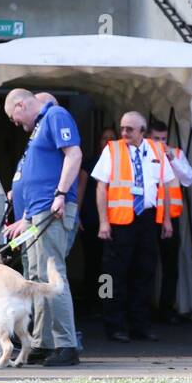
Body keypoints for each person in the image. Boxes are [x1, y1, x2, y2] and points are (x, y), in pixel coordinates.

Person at [2, 89, 82, 366]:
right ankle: (42, 342)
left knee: (51, 274)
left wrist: (60, 193)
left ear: (22, 104)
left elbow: (74, 154)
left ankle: (66, 344)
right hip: (37, 212)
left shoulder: (55, 115)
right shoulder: (39, 127)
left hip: (51, 209)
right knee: (36, 276)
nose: (16, 124)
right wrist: (25, 216)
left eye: (14, 117)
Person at [91, 111, 176, 343]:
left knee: (145, 273)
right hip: (118, 222)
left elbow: (166, 187)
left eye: (130, 129)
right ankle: (112, 324)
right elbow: (101, 187)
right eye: (122, 128)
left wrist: (166, 219)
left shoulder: (157, 150)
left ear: (142, 131)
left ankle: (140, 324)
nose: (125, 133)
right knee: (110, 275)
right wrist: (103, 222)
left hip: (146, 219)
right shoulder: (112, 149)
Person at [148, 118, 192, 324]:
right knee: (146, 266)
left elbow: (189, 178)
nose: (160, 142)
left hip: (171, 218)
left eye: (163, 138)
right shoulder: (144, 153)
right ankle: (144, 308)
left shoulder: (175, 154)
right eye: (156, 138)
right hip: (148, 216)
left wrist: (170, 158)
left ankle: (167, 309)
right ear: (149, 137)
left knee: (170, 266)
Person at [79, 126, 116, 306]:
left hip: (113, 220)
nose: (108, 142)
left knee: (107, 264)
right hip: (91, 218)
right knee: (92, 261)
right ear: (99, 142)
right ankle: (91, 299)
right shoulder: (89, 163)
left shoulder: (120, 162)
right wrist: (76, 214)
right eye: (104, 138)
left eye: (112, 138)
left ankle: (105, 299)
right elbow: (81, 188)